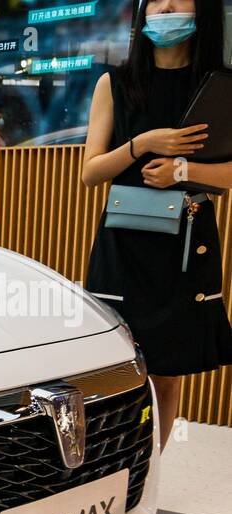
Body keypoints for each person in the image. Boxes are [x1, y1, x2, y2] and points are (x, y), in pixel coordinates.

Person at [83, 0, 232, 449]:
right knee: (112, 370)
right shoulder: (115, 82)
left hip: (185, 248)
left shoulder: (220, 87)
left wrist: (182, 172)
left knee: (167, 374)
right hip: (123, 246)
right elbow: (91, 172)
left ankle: (148, 484)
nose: (166, 5)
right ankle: (106, 475)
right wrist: (143, 143)